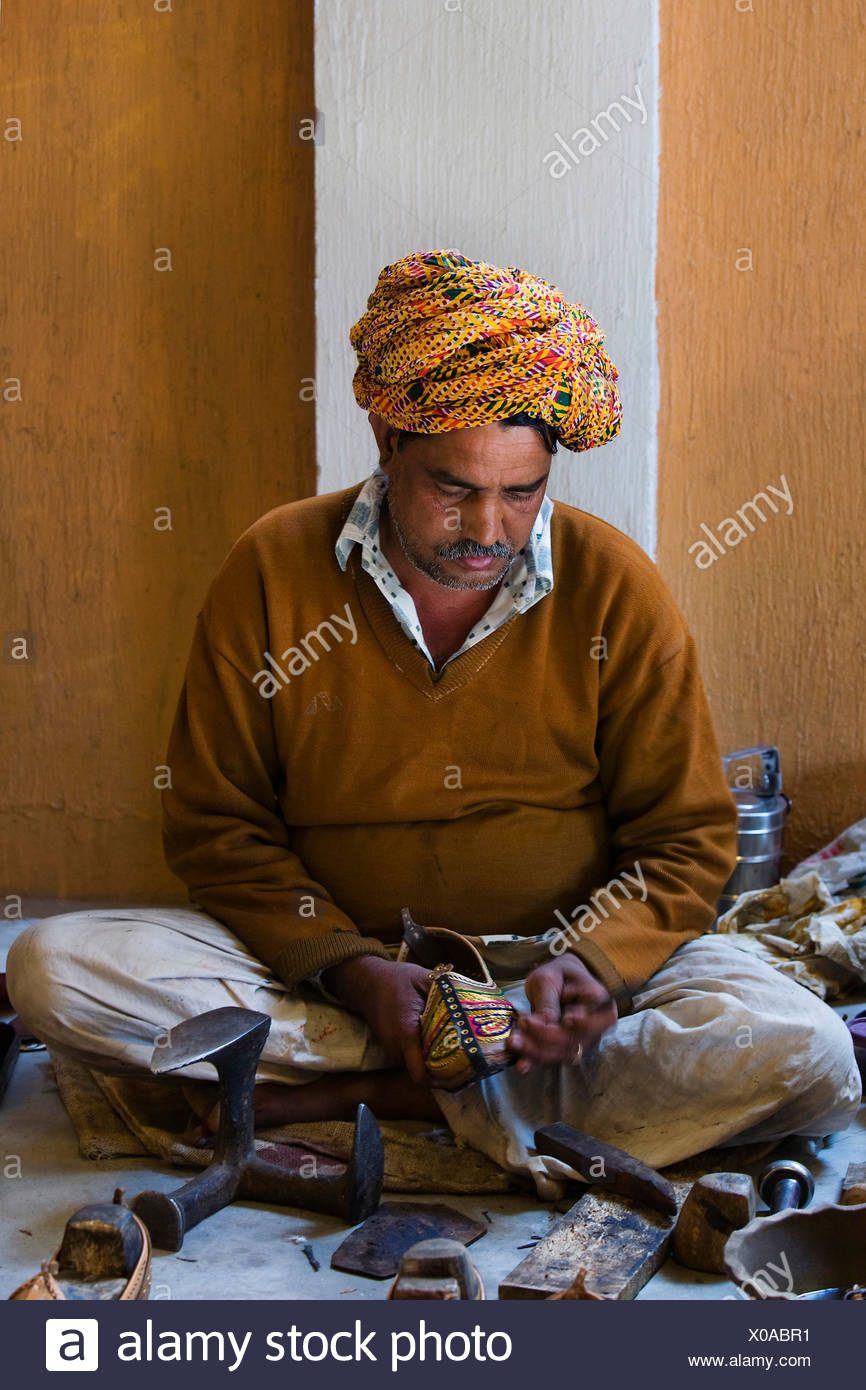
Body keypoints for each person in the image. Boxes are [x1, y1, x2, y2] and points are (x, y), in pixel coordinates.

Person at [8, 250, 859, 1194]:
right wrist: (352, 972)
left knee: (809, 1053)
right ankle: (468, 1095)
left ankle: (372, 1098)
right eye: (454, 488)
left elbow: (687, 838)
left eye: (522, 491)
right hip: (338, 984)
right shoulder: (273, 569)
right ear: (385, 439)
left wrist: (598, 970)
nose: (489, 530)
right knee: (51, 968)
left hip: (550, 991)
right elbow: (217, 822)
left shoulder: (617, 588)